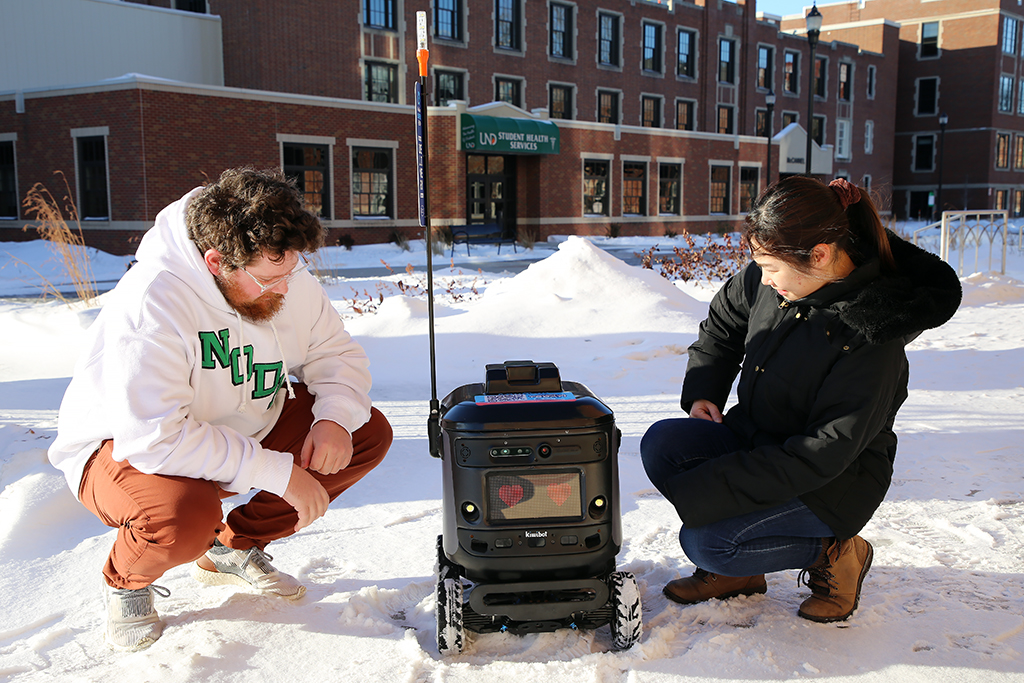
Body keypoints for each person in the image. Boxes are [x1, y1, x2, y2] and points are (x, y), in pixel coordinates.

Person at [48, 168, 393, 651]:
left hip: (238, 423)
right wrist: (279, 472)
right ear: (216, 261)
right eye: (271, 279)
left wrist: (334, 417)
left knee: (364, 431)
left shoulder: (278, 271)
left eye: (292, 271)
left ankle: (232, 547)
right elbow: (156, 437)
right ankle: (127, 581)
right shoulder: (153, 304)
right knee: (182, 518)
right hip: (123, 449)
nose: (287, 289)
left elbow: (335, 353)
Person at [641, 176, 961, 623]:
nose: (764, 279)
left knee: (708, 541)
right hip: (759, 437)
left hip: (832, 483)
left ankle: (837, 552)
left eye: (771, 268)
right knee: (663, 445)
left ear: (820, 254)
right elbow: (723, 325)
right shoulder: (773, 278)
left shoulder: (870, 335)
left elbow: (822, 452)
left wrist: (716, 490)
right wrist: (703, 393)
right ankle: (740, 575)